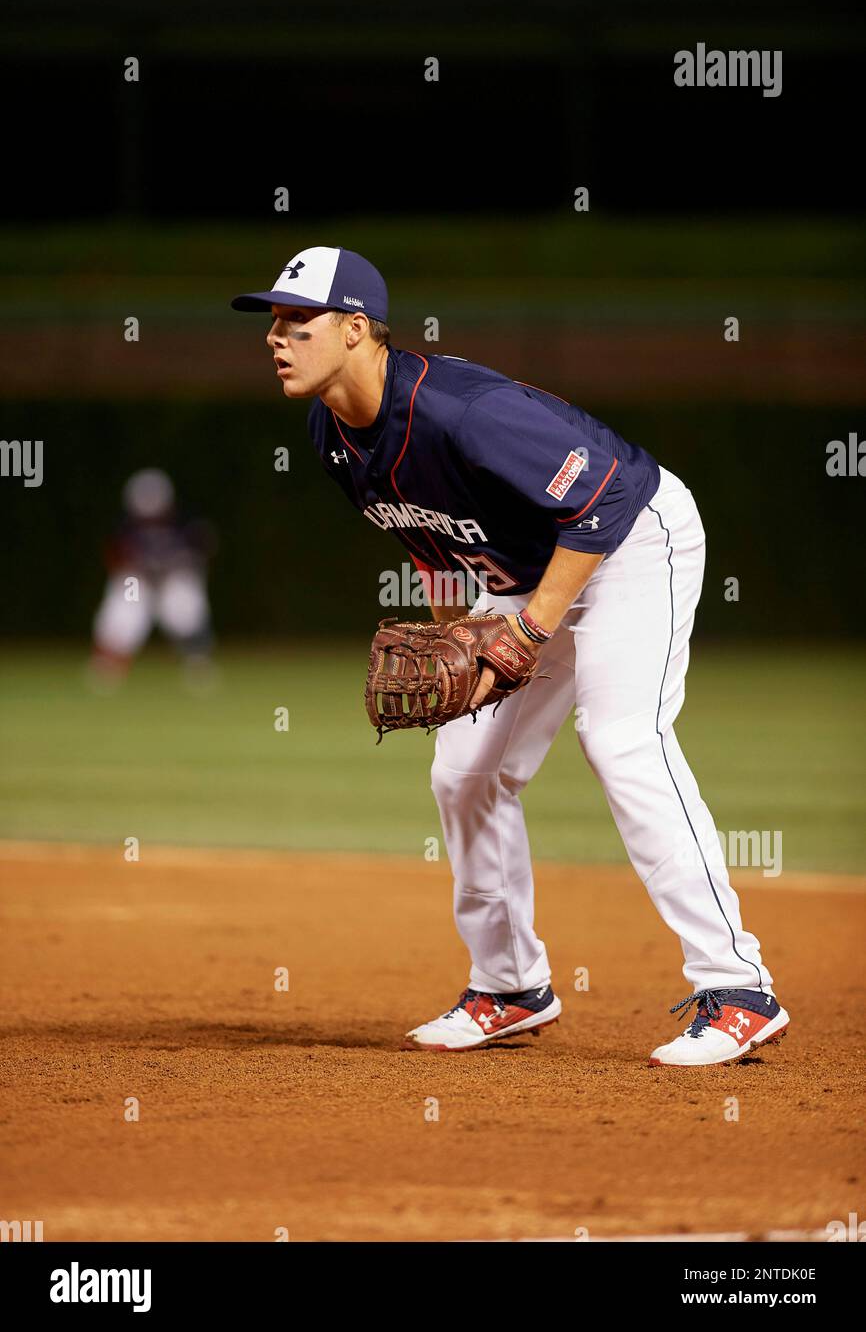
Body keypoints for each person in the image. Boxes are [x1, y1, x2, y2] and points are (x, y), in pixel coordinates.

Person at [232, 246, 790, 1067]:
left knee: (622, 740)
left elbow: (598, 502)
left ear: (357, 329)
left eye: (296, 321)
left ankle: (740, 987)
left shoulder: (464, 411)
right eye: (273, 322)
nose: (276, 338)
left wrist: (527, 636)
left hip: (633, 538)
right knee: (464, 770)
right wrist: (460, 644)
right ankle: (509, 987)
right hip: (529, 572)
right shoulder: (333, 433)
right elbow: (428, 540)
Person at [90, 469, 216, 688]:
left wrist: (173, 570)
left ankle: (196, 660)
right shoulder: (125, 528)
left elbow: (202, 554)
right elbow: (114, 560)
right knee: (126, 600)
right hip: (140, 582)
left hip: (171, 580)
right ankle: (109, 662)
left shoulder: (185, 525)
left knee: (183, 600)